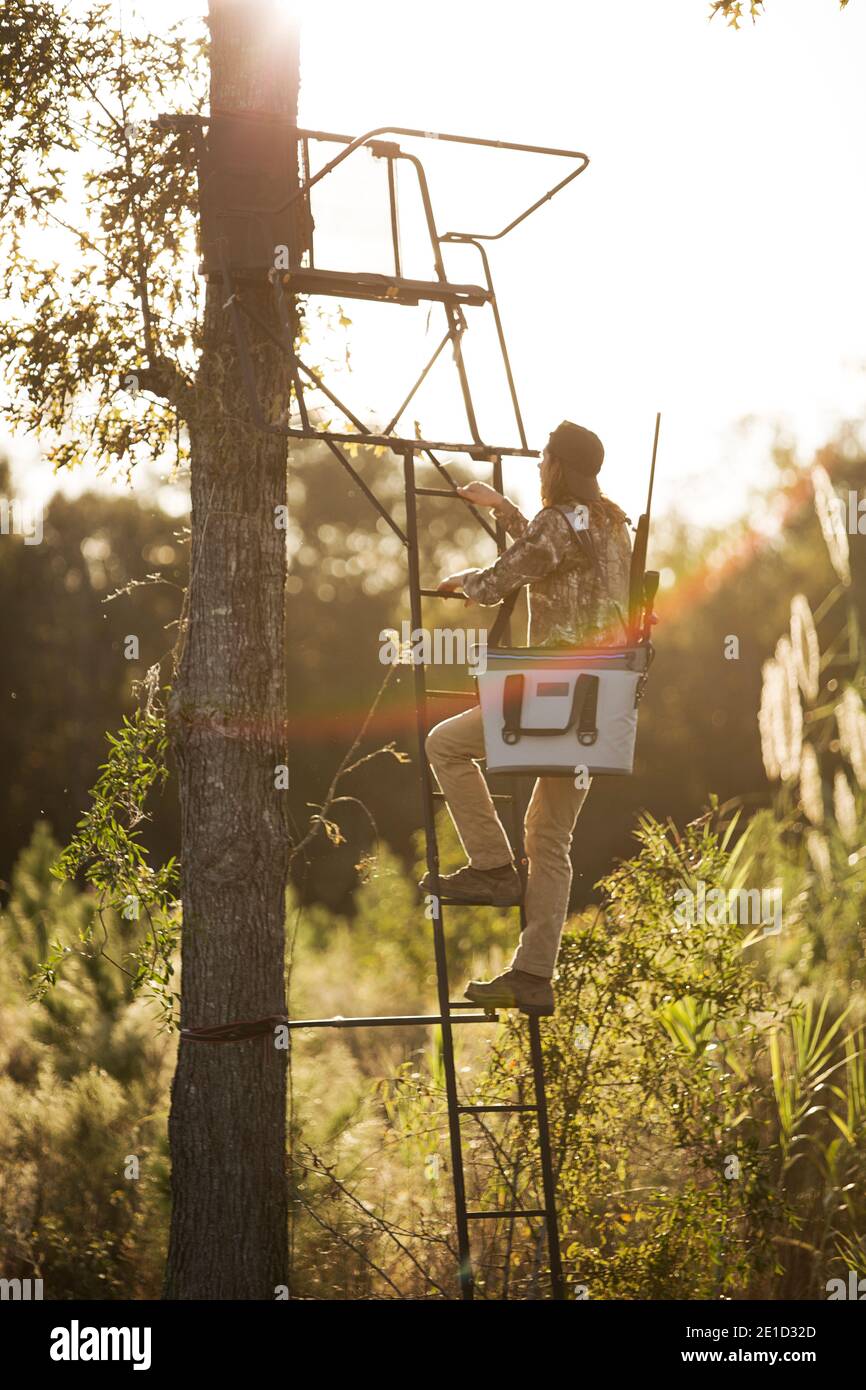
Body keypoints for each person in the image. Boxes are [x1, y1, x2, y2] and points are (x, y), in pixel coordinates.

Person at [421, 420, 632, 1016]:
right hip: (602, 703)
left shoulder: (559, 524)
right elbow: (551, 551)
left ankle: (491, 866)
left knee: (445, 746)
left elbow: (505, 576)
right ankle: (535, 974)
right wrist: (506, 508)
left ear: (559, 466)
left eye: (543, 459)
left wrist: (469, 582)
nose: (539, 466)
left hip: (552, 699)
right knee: (548, 834)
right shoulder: (612, 524)